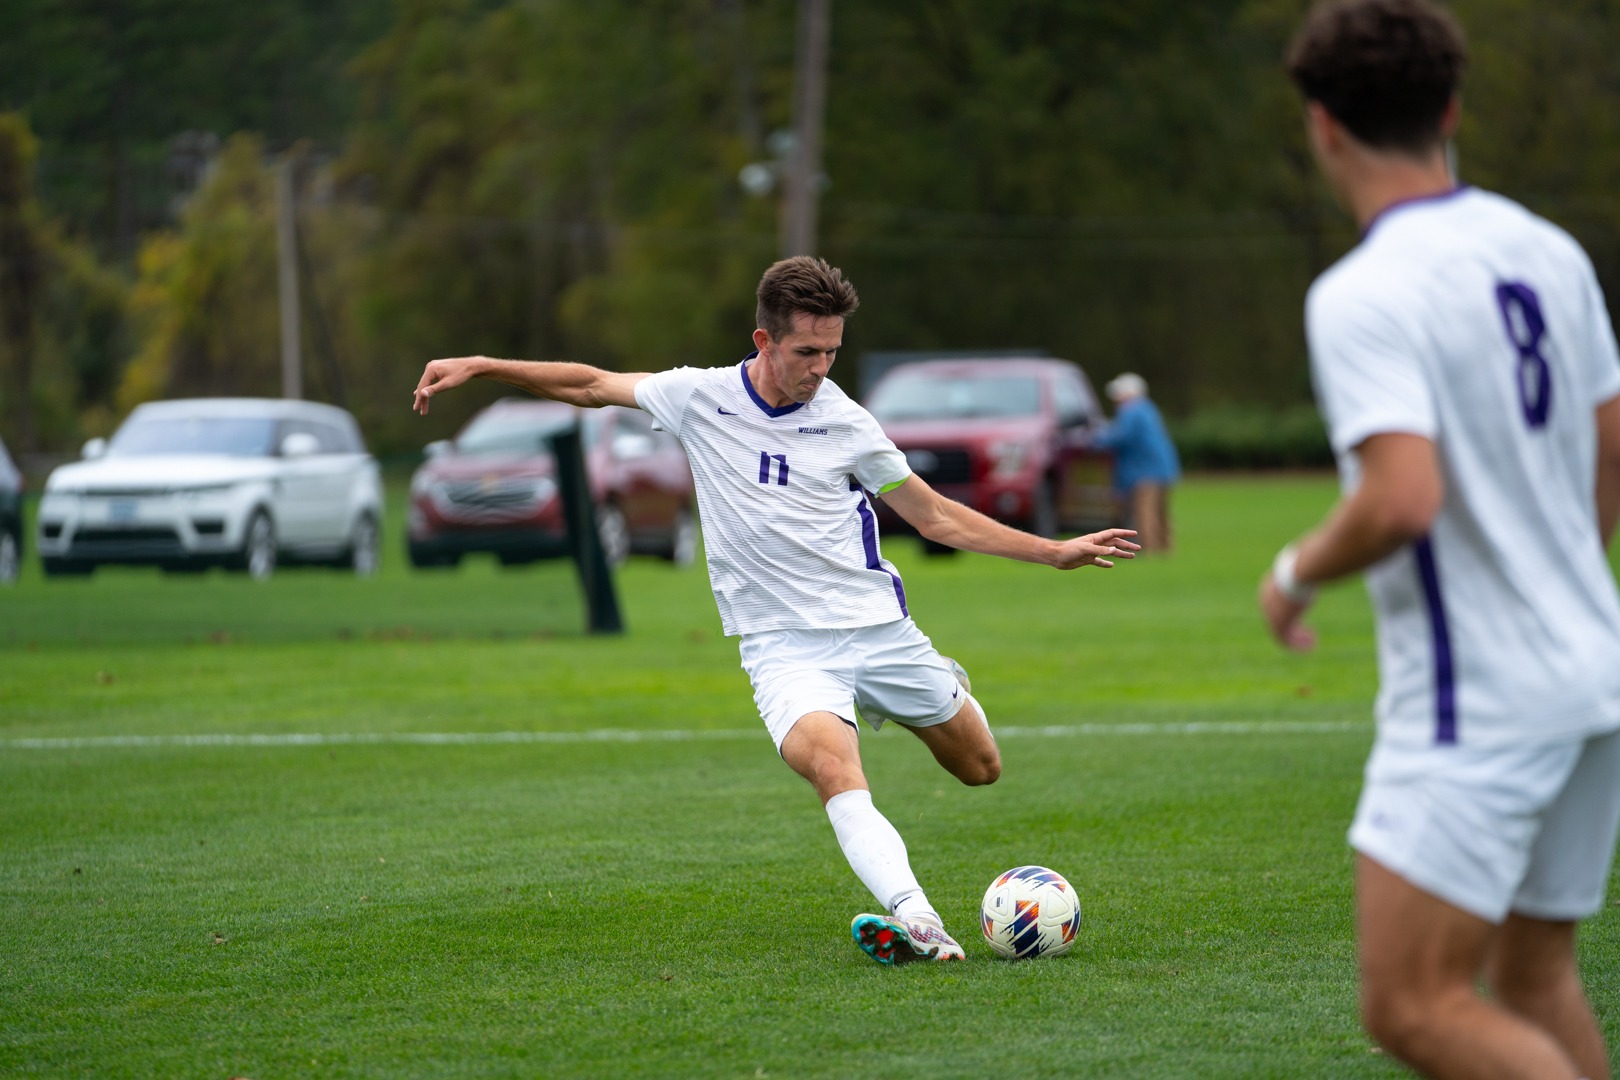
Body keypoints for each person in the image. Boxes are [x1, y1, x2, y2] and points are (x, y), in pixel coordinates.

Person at [414, 256, 1139, 964]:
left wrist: (1054, 551)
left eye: (831, 351)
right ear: (763, 341)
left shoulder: (848, 422)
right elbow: (593, 383)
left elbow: (935, 518)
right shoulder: (698, 396)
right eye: (806, 351)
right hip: (782, 645)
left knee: (981, 769)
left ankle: (944, 684)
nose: (820, 367)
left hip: (878, 629)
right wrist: (481, 364)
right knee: (833, 767)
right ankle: (919, 920)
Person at [1260, 1, 1620, 1076]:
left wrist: (1292, 575)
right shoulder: (1545, 248)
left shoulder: (1363, 292)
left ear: (1322, 126)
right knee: (1531, 979)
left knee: (1414, 1006)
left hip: (1482, 705)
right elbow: (1613, 446)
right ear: (1451, 109)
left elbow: (1400, 499)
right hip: (1593, 666)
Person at [1094, 372, 1180, 552]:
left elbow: (1120, 437)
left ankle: (1149, 552)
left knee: (1145, 513)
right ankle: (1165, 551)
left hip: (1145, 472)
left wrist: (1096, 439)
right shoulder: (1148, 408)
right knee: (1161, 513)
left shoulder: (1131, 410)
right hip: (1164, 468)